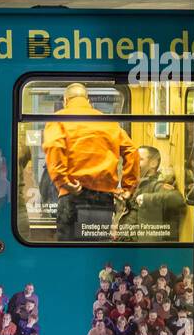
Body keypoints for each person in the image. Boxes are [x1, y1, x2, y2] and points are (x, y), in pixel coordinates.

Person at [42, 83, 138, 241]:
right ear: (89, 100)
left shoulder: (58, 119)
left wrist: (63, 181)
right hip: (104, 199)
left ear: (66, 100)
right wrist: (128, 187)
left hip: (73, 194)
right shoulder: (109, 123)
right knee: (98, 248)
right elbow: (131, 151)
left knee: (69, 251)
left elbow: (54, 146)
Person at [118, 145, 187, 241]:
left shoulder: (156, 185)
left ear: (153, 163)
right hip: (127, 245)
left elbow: (177, 199)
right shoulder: (135, 185)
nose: (134, 162)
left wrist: (146, 199)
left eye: (140, 159)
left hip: (144, 250)